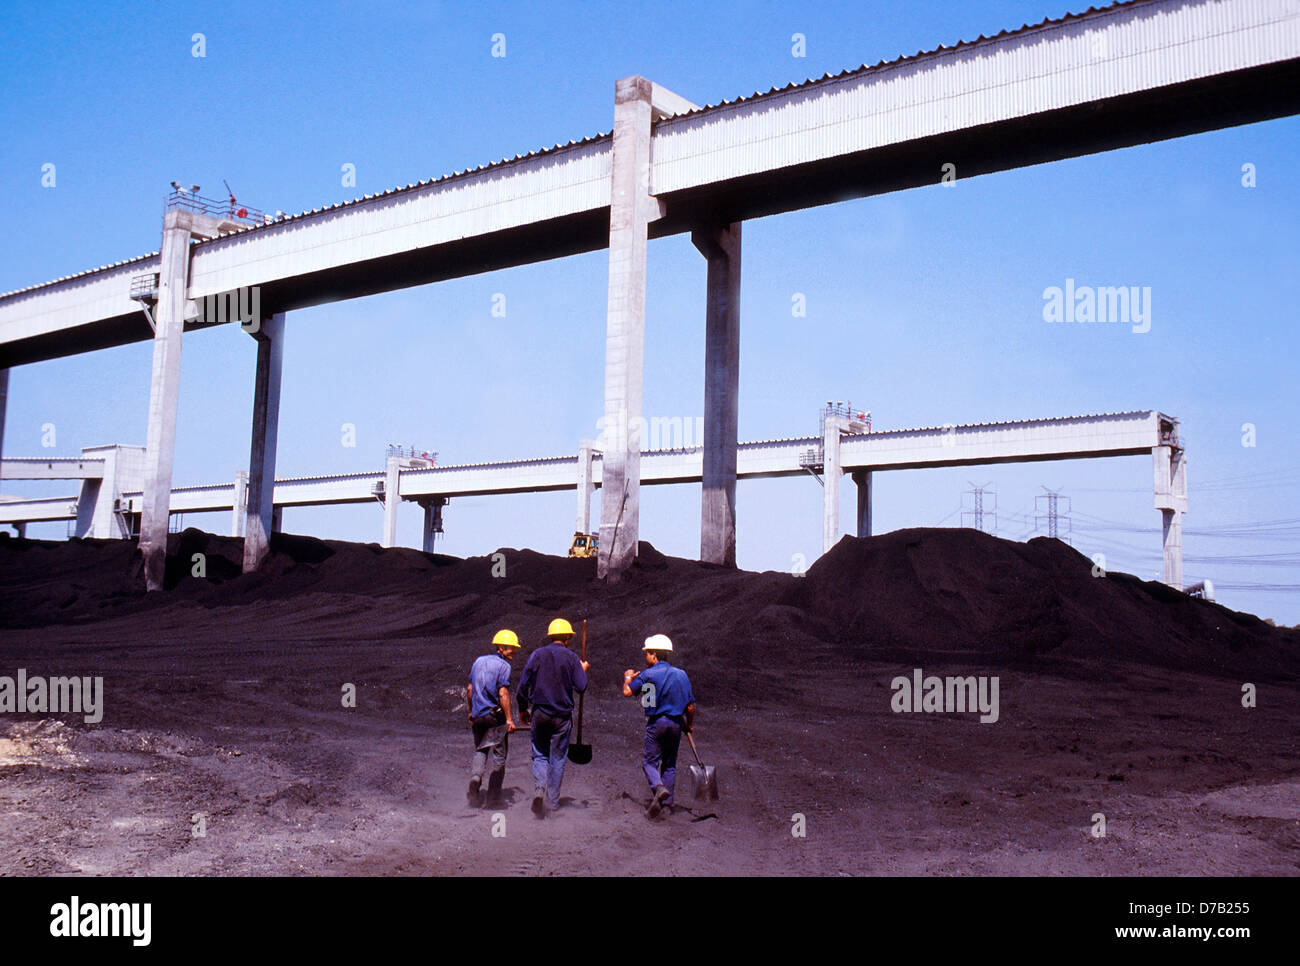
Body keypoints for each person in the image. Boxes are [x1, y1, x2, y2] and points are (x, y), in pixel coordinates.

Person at [517, 618, 589, 818]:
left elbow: (522, 686)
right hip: (562, 717)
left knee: (540, 754)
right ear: (567, 637)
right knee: (557, 758)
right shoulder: (573, 658)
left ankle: (540, 788)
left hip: (540, 713)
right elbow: (581, 687)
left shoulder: (537, 655)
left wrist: (523, 709)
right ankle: (553, 803)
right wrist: (583, 671)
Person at [623, 634, 695, 819]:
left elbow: (627, 692)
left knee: (649, 762)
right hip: (677, 724)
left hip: (657, 723)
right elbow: (690, 706)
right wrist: (689, 725)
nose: (645, 656)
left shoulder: (648, 675)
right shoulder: (682, 674)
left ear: (654, 655)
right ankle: (666, 805)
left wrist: (628, 678)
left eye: (647, 653)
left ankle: (658, 787)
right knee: (669, 764)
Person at [466, 629, 523, 808]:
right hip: (494, 717)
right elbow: (503, 692)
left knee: (481, 750)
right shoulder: (504, 666)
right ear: (500, 647)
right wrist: (509, 720)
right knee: (499, 756)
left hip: (478, 716)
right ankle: (493, 799)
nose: (513, 651)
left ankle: (476, 778)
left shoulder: (478, 661)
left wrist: (471, 712)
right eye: (510, 648)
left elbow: (469, 689)